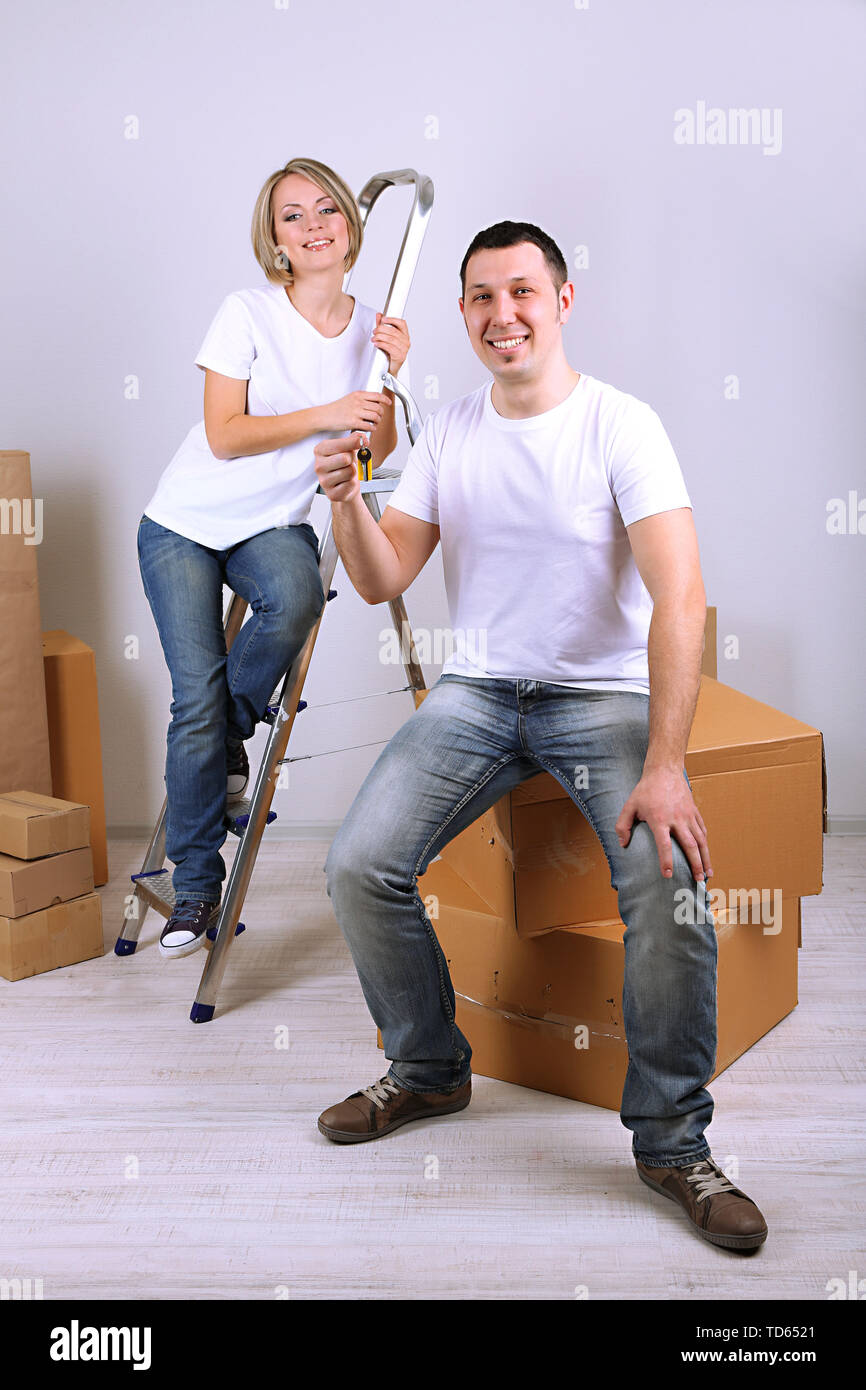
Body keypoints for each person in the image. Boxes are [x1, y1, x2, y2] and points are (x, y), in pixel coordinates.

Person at [312, 220, 768, 1253]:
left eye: (520, 291)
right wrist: (345, 503)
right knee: (355, 866)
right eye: (479, 296)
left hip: (596, 697)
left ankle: (670, 1142)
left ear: (563, 301)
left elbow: (681, 596)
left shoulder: (620, 425)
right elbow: (386, 576)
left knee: (669, 877)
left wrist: (664, 765)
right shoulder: (452, 433)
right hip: (478, 692)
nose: (500, 313)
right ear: (462, 314)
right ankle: (429, 1069)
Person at [137, 156, 410, 960]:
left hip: (273, 524)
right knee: (195, 696)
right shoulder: (247, 310)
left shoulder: (374, 330)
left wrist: (393, 376)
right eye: (294, 215)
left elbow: (366, 460)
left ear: (349, 227)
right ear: (276, 239)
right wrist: (327, 409)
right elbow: (225, 435)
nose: (315, 223)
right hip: (185, 522)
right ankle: (193, 888)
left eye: (327, 208)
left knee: (295, 603)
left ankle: (223, 744)